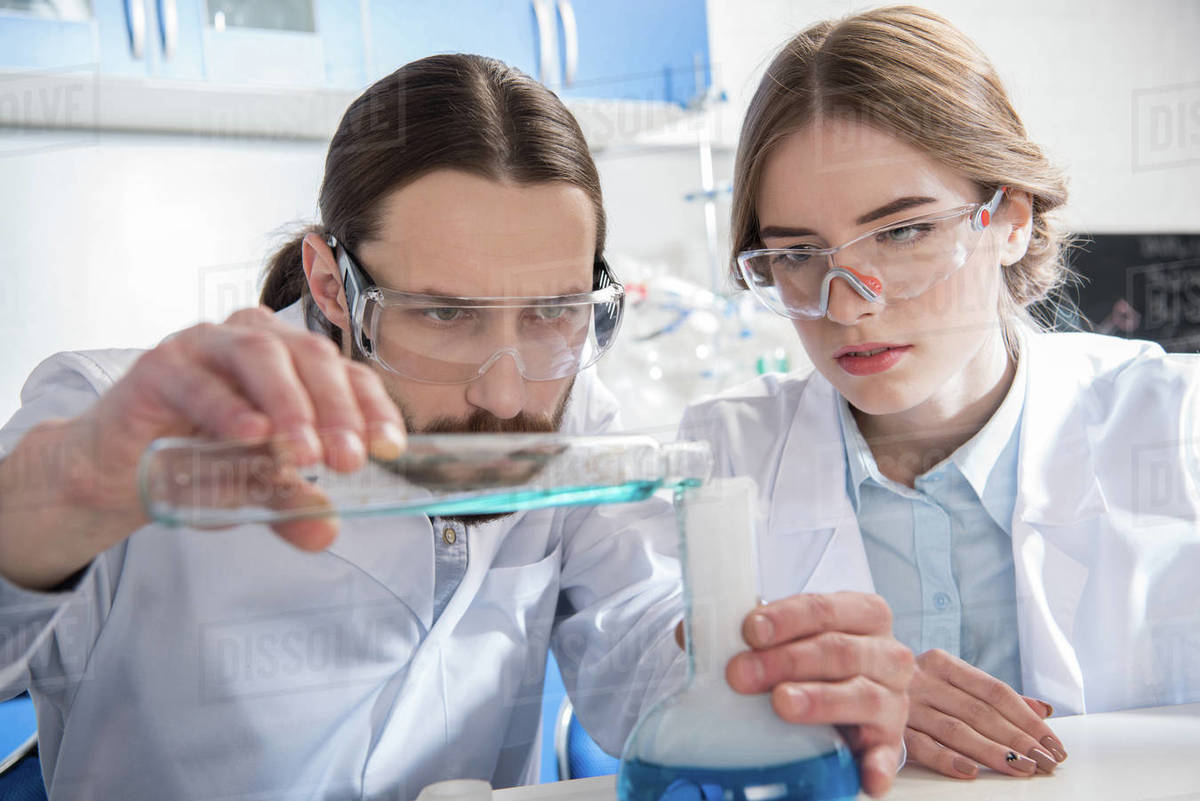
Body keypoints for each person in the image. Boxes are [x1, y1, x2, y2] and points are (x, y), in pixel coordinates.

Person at [0, 54, 909, 799]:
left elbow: (636, 635)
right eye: (444, 314)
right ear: (330, 285)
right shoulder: (113, 420)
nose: (508, 395)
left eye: (552, 311)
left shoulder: (572, 407)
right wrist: (65, 496)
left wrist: (751, 673)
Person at [682, 4, 1200, 784]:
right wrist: (795, 693)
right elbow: (635, 681)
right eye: (797, 253)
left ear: (1011, 219)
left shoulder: (1177, 427)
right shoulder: (721, 458)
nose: (847, 304)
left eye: (902, 232)